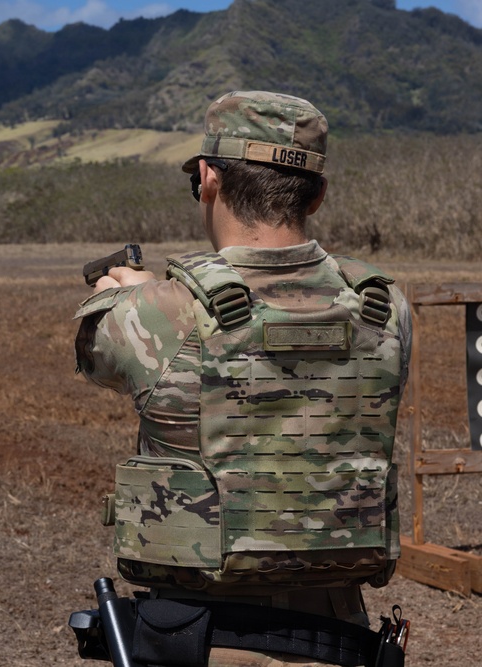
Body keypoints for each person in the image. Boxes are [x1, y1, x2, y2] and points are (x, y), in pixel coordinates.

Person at [73, 91, 412, 666]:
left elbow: (96, 356)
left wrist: (129, 293)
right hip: (340, 638)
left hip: (203, 636)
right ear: (318, 194)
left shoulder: (151, 313)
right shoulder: (386, 308)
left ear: (208, 179)